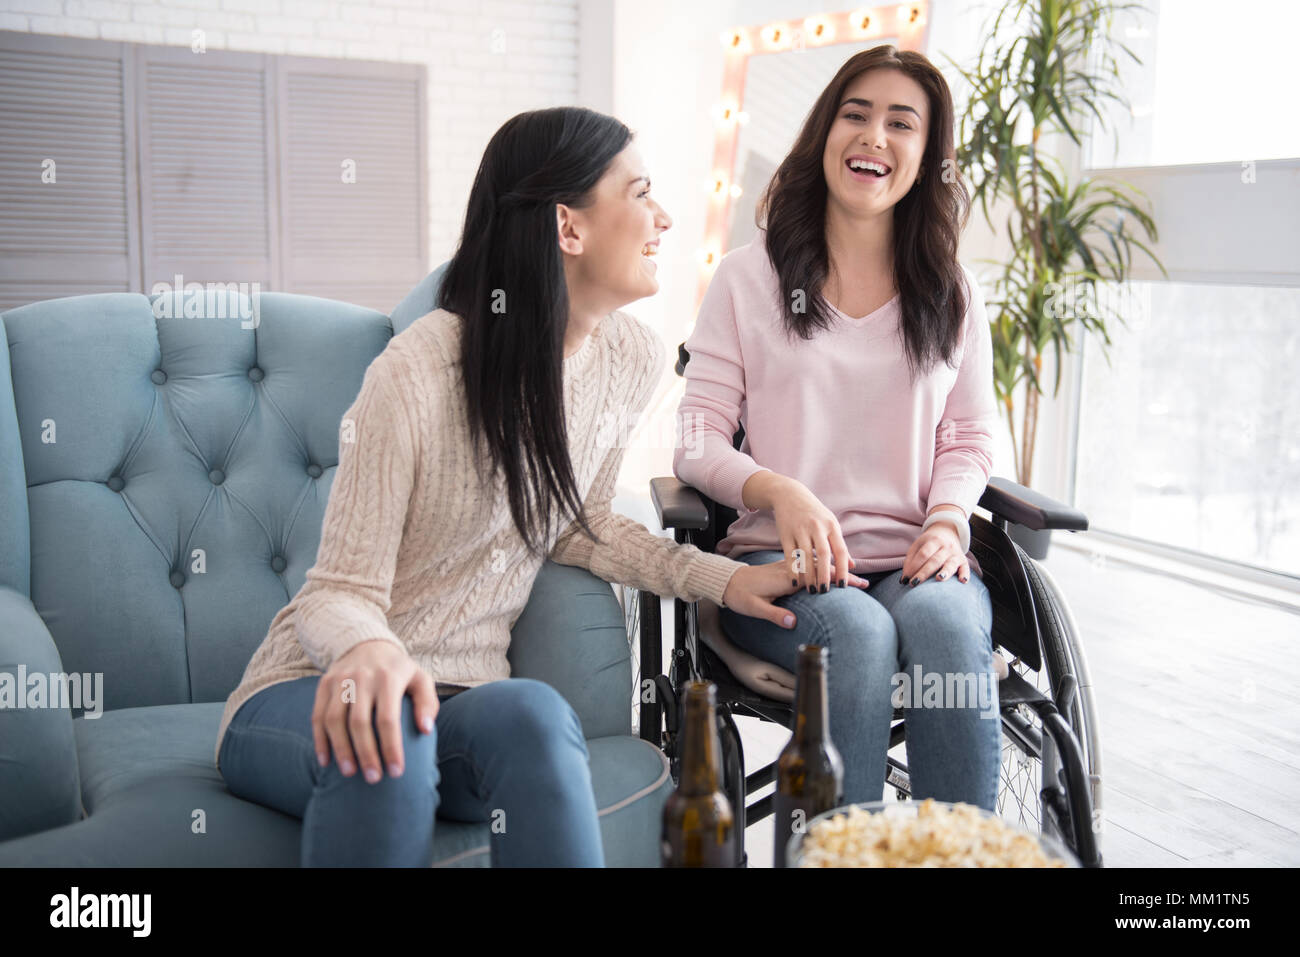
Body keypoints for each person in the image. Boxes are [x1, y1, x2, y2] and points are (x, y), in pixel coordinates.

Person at [213, 107, 834, 867]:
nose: (664, 217)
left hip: (464, 701)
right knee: (392, 738)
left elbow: (577, 525)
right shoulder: (418, 372)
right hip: (315, 686)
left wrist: (724, 582)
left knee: (536, 713)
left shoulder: (628, 361)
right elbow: (334, 591)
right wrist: (373, 650)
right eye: (641, 194)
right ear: (568, 229)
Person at [674, 45, 1003, 811]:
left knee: (948, 632)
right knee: (854, 638)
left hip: (915, 559)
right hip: (786, 568)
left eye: (901, 123)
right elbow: (696, 437)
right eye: (855, 115)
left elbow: (969, 436)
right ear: (824, 133)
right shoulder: (748, 279)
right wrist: (776, 490)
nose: (874, 137)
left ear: (926, 158)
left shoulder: (949, 290)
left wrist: (950, 519)